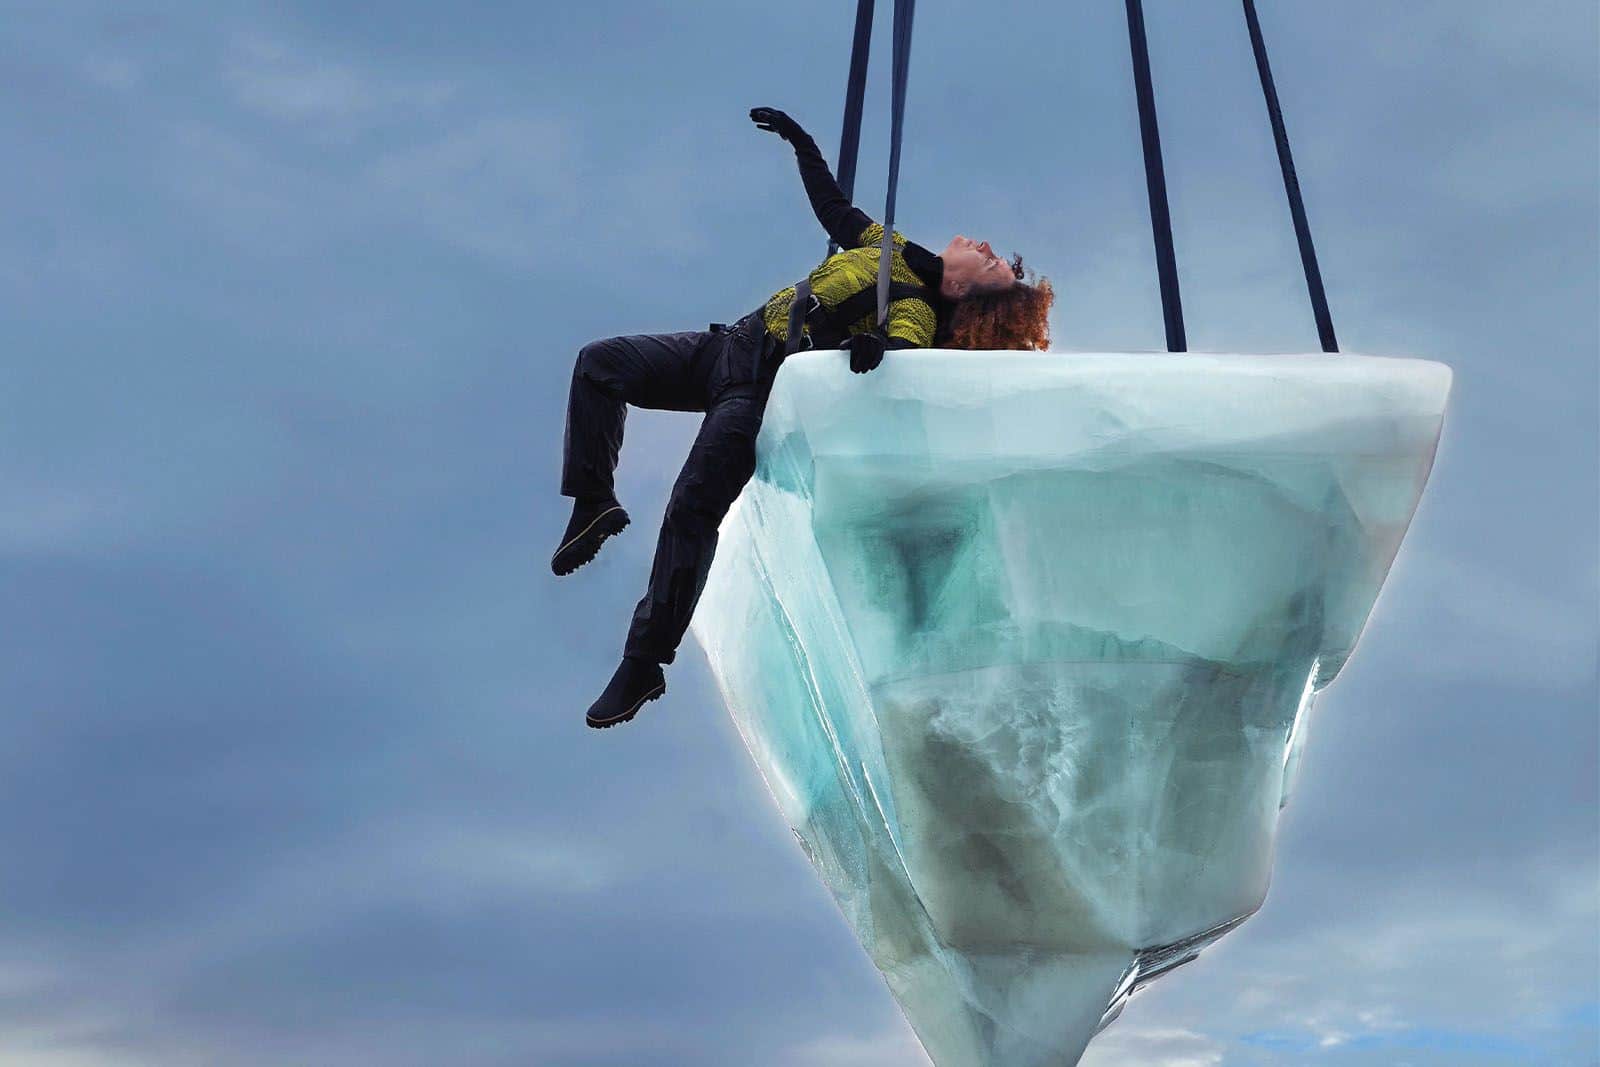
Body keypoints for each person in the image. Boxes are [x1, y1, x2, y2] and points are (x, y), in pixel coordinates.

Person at [554, 107, 1054, 729]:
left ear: (961, 292)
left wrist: (872, 350)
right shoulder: (890, 248)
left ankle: (644, 662)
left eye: (993, 263)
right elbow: (836, 210)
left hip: (757, 388)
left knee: (692, 507)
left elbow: (901, 348)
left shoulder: (918, 309)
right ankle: (593, 500)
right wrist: (804, 146)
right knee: (601, 364)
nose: (984, 246)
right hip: (727, 348)